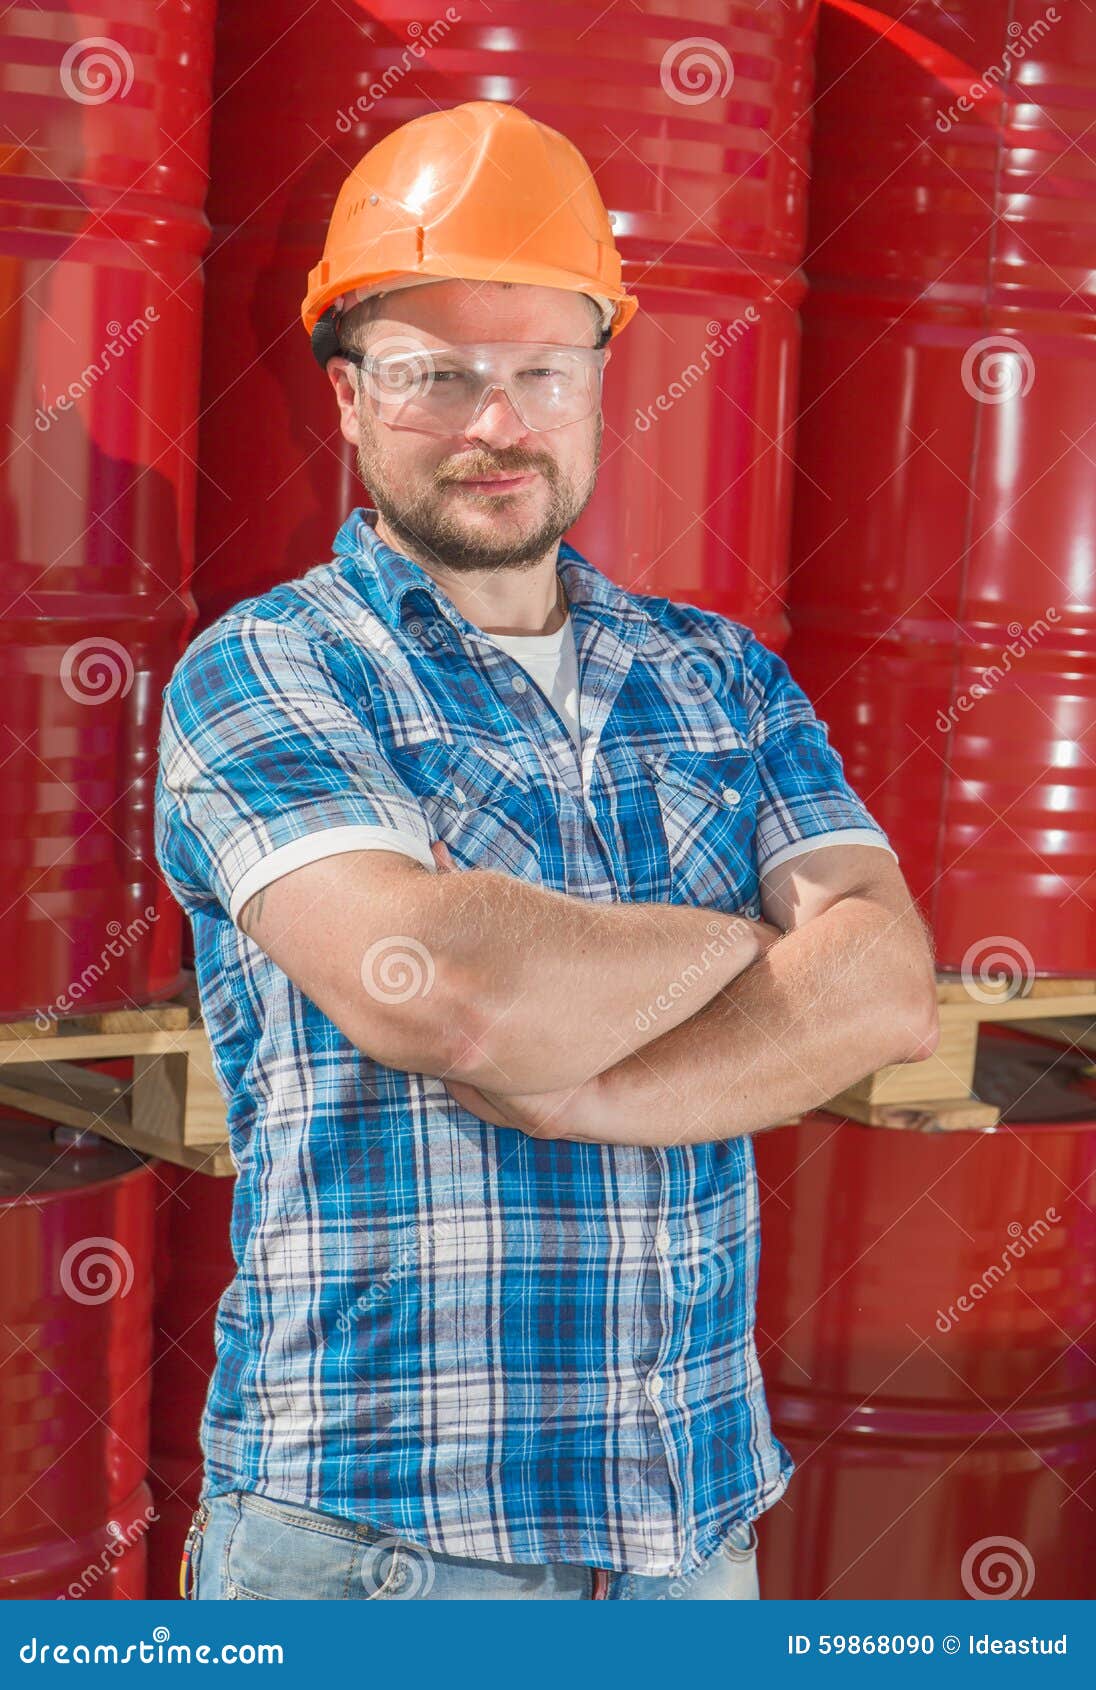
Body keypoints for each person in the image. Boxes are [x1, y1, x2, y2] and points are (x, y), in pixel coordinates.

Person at [156, 100, 939, 1602]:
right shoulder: (267, 673)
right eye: (435, 375)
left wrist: (579, 1084)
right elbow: (440, 994)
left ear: (594, 387)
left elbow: (886, 987)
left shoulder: (722, 675)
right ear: (346, 401)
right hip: (378, 1554)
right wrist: (751, 950)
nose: (496, 421)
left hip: (689, 1539)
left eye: (538, 372)